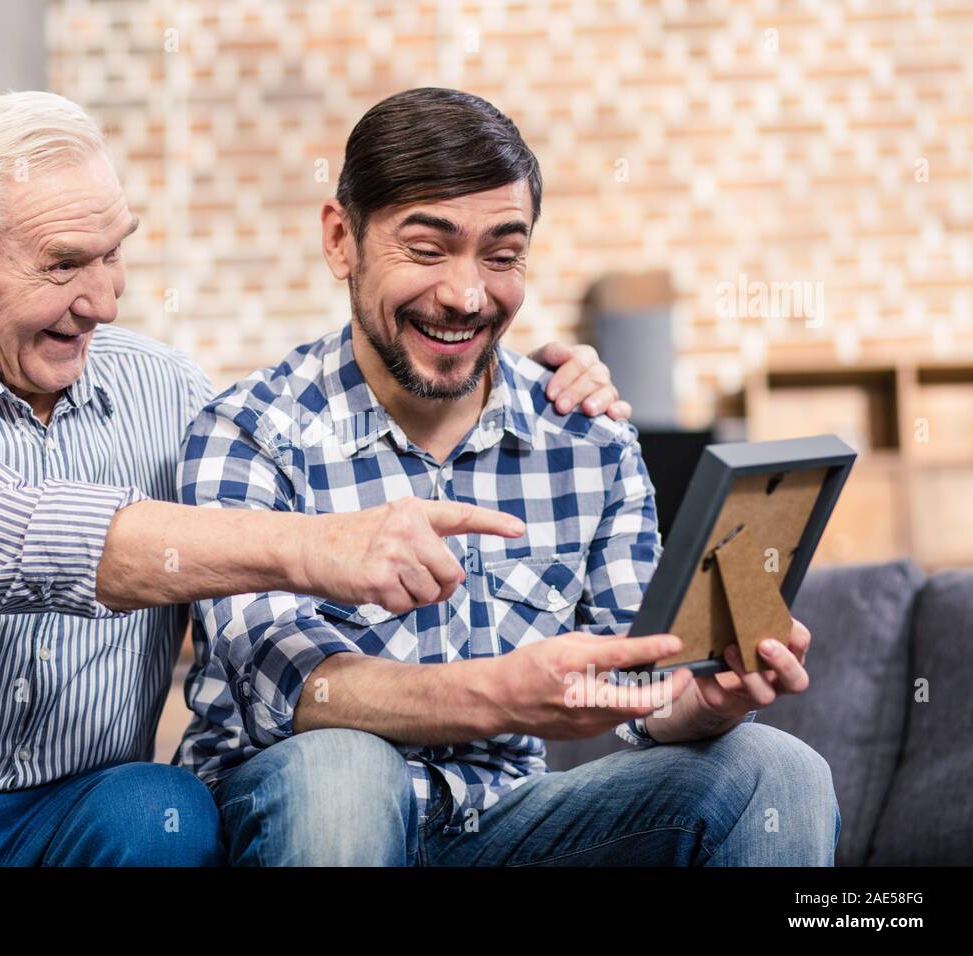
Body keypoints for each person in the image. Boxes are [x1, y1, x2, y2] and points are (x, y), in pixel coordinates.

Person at [0, 90, 626, 866]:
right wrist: (317, 550)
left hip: (69, 817)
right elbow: (4, 531)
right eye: (65, 264)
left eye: (115, 254)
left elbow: (323, 412)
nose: (103, 301)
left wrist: (523, 376)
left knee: (161, 807)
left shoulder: (170, 392)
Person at [178, 88, 840, 866]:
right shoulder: (247, 432)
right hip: (302, 808)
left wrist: (706, 699)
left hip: (507, 823)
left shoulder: (588, 439)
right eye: (426, 249)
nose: (466, 296)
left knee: (777, 770)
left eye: (501, 255)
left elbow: (642, 693)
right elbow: (289, 689)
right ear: (340, 240)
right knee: (345, 769)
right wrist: (502, 691)